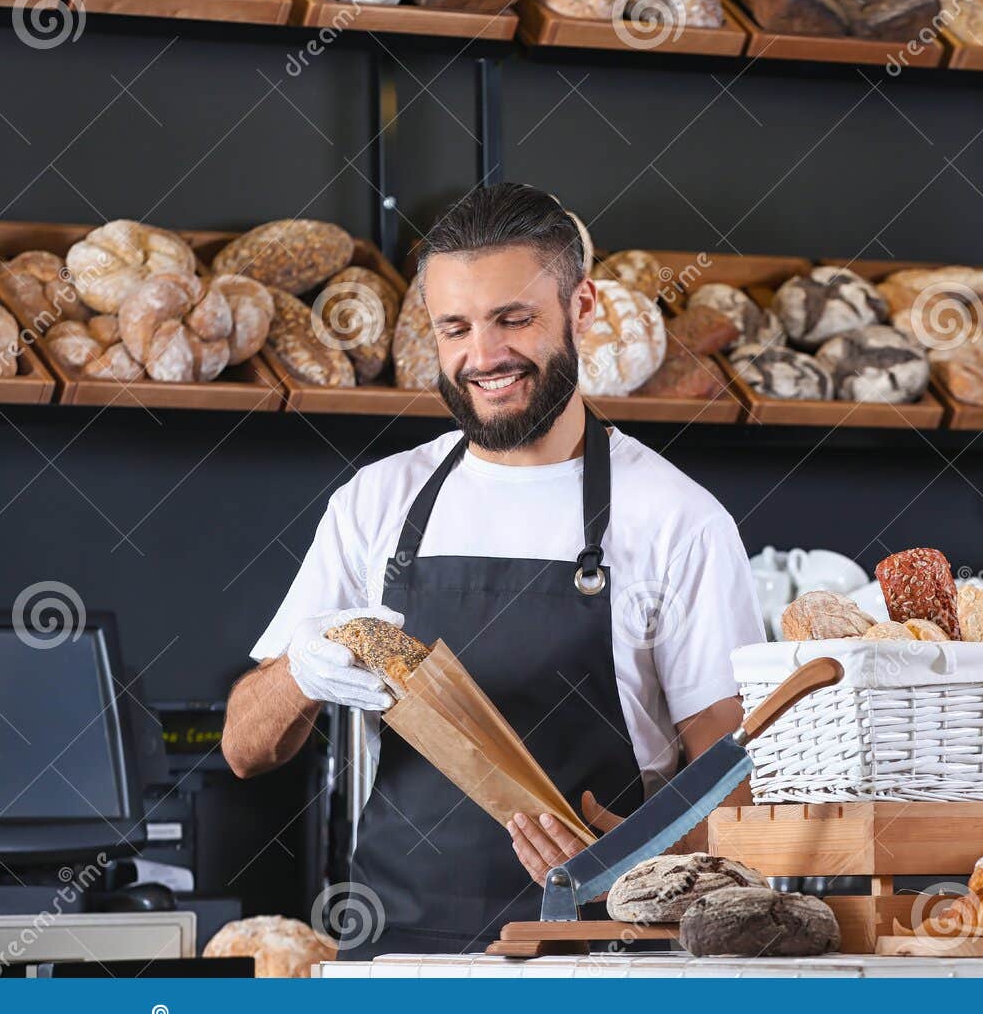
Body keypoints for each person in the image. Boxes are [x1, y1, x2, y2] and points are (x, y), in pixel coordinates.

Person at [221, 184, 764, 956]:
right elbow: (245, 747)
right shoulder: (377, 502)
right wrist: (303, 672)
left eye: (514, 318)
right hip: (400, 956)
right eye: (456, 327)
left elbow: (735, 792)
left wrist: (643, 854)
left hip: (599, 960)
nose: (484, 357)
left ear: (582, 309)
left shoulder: (679, 520)